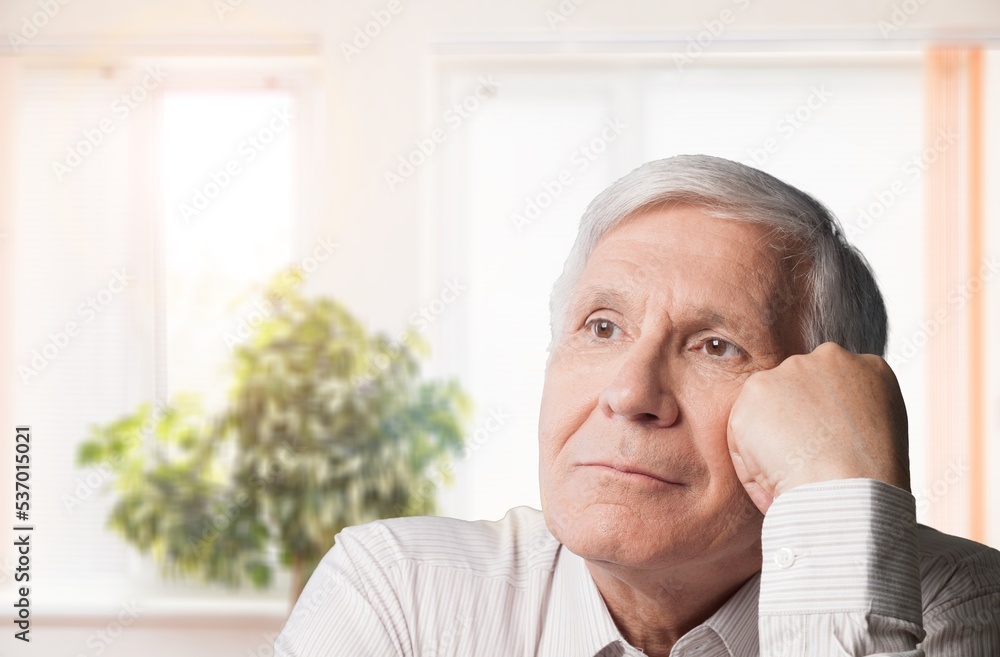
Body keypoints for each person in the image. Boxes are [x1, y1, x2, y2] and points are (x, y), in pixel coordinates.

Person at [272, 155, 1000, 656]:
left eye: (715, 345)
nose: (629, 392)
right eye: (602, 327)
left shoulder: (963, 605)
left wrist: (840, 494)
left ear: (813, 401)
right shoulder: (397, 589)